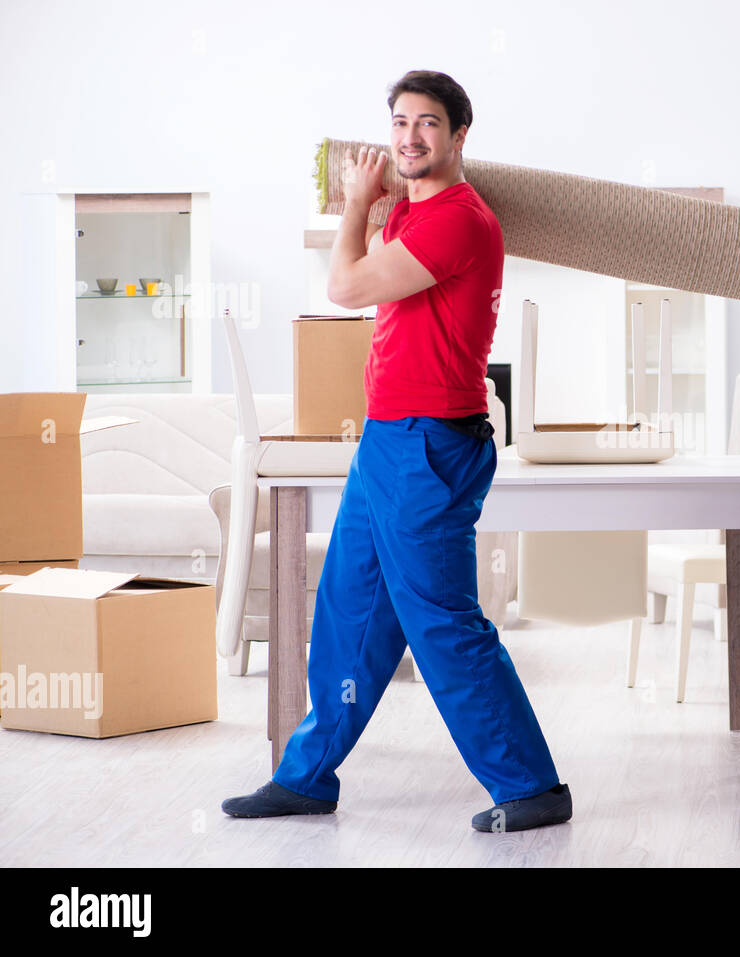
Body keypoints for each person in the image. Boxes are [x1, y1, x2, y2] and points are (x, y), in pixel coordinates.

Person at [223, 71, 571, 833]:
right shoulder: (416, 216)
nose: (411, 136)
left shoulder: (459, 221)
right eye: (400, 122)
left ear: (459, 136)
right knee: (350, 610)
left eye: (428, 123)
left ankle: (530, 785)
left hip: (430, 445)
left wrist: (354, 200)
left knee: (441, 619)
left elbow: (344, 287)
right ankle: (306, 776)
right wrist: (376, 204)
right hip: (388, 438)